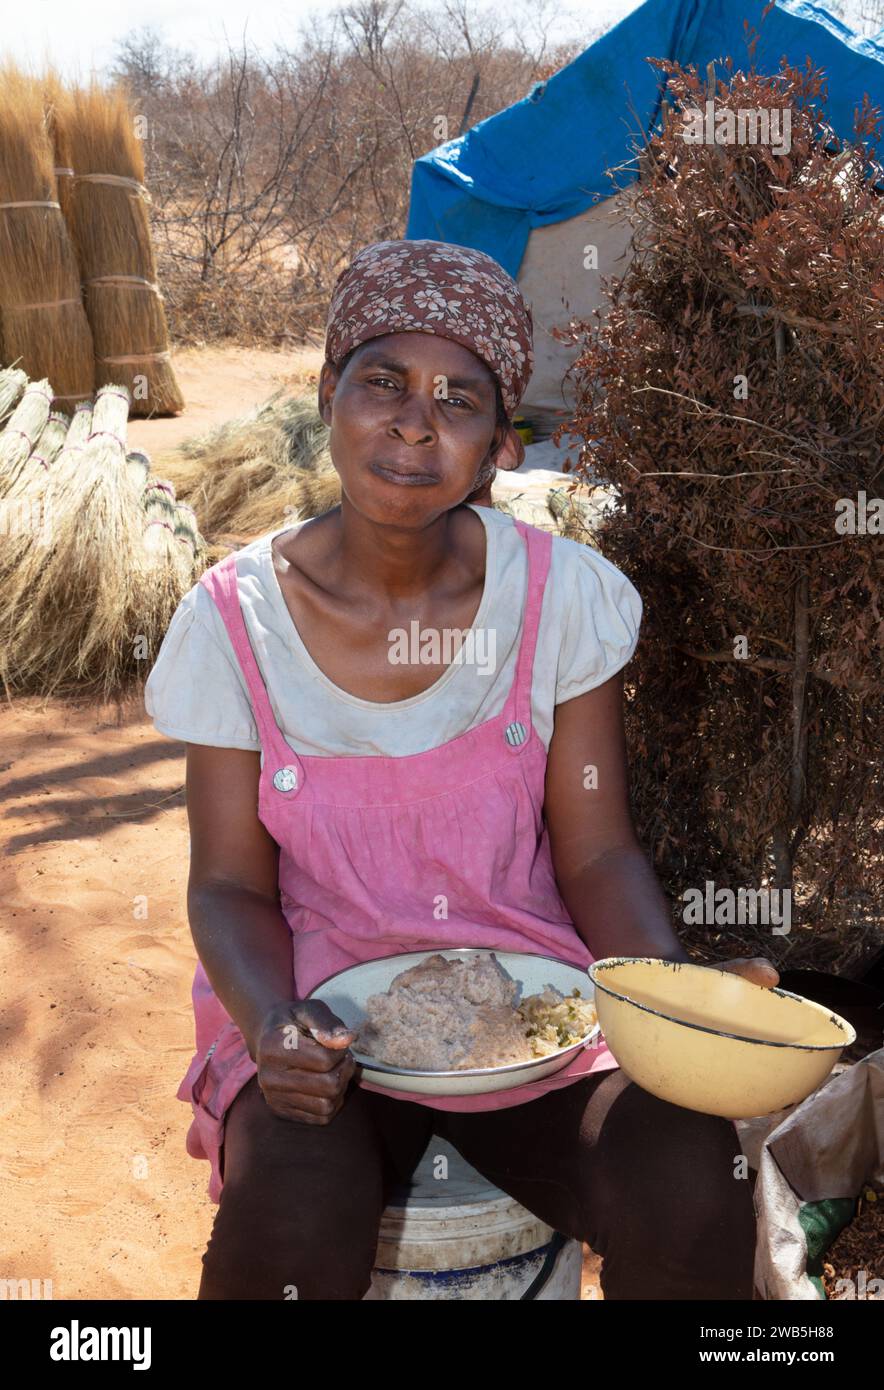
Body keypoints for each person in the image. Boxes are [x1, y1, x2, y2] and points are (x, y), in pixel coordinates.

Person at [145, 238, 779, 1301]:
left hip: (536, 1021)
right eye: (382, 382)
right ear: (327, 395)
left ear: (495, 441)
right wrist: (273, 1024)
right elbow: (226, 885)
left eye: (460, 399)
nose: (413, 422)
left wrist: (662, 999)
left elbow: (596, 849)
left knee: (686, 1181)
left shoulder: (558, 597)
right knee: (291, 1215)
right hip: (322, 1025)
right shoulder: (234, 618)